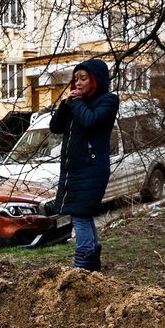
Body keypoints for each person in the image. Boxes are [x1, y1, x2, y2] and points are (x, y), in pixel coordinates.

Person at [49, 59, 119, 271]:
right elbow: (55, 127)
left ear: (95, 80)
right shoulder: (75, 103)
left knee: (79, 215)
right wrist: (65, 105)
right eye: (75, 79)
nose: (77, 83)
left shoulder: (108, 100)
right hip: (74, 170)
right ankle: (93, 266)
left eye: (83, 78)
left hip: (92, 169)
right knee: (83, 215)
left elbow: (90, 121)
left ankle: (82, 265)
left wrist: (76, 103)